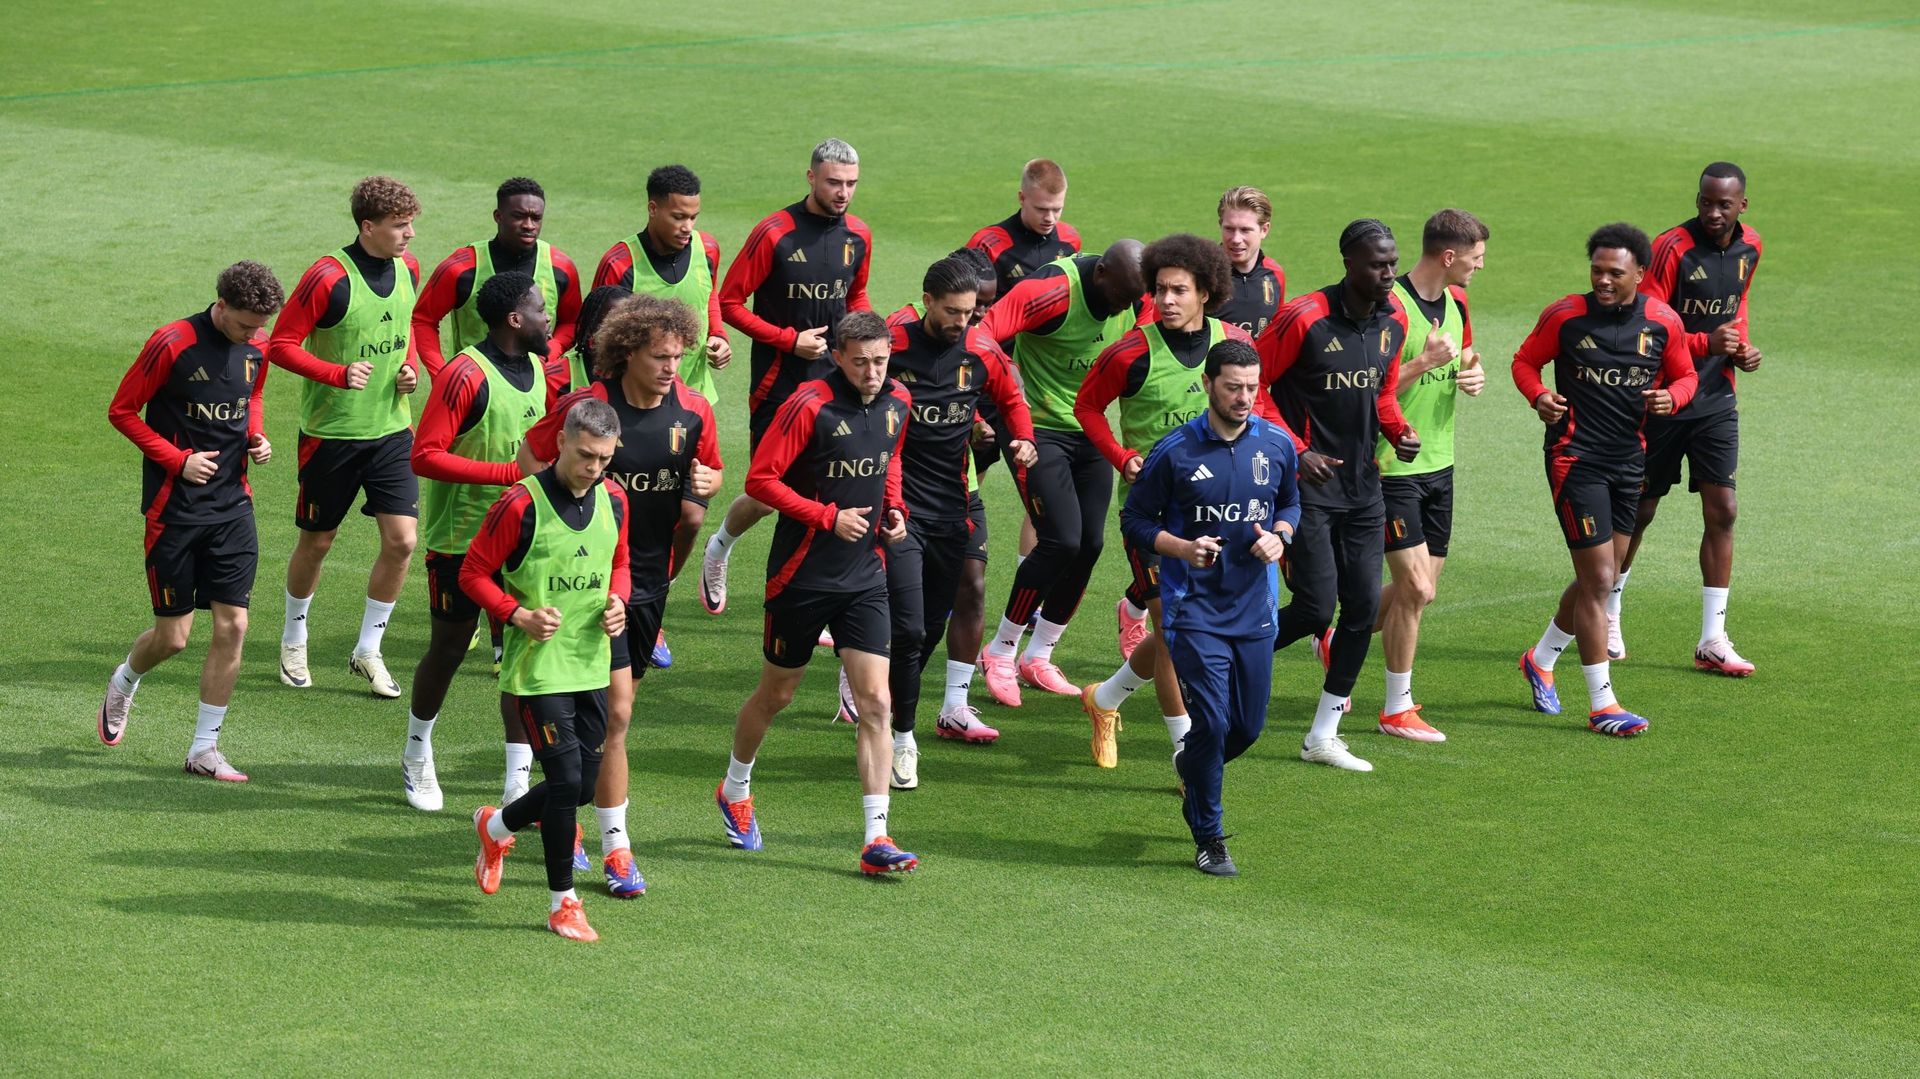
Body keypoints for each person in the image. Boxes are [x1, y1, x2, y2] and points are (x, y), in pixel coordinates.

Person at [519, 296, 722, 897]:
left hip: (641, 585)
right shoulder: (589, 409)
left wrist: (709, 485)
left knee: (613, 721)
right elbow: (531, 456)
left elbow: (701, 488)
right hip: (574, 589)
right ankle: (607, 840)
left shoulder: (695, 412)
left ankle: (584, 827)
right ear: (627, 352)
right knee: (598, 716)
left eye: (679, 357)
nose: (671, 368)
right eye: (660, 357)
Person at [713, 311, 920, 875]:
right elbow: (760, 481)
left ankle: (876, 838)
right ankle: (735, 787)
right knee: (776, 695)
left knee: (877, 702)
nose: (874, 373)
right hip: (800, 578)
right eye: (862, 363)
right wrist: (826, 517)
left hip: (865, 575)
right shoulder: (809, 405)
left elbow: (890, 459)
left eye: (881, 361)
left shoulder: (897, 400)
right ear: (838, 357)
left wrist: (894, 509)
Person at [836, 256, 1034, 791]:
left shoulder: (981, 349)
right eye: (952, 312)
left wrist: (1022, 438)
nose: (961, 322)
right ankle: (903, 738)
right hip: (896, 503)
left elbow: (1012, 398)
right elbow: (843, 380)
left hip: (954, 503)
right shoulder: (892, 341)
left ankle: (873, 679)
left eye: (970, 313)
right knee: (909, 624)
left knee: (930, 624)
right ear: (926, 301)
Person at [99, 261, 284, 781]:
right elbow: (123, 411)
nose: (255, 334)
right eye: (246, 324)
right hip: (173, 511)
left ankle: (204, 749)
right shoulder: (172, 342)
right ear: (220, 305)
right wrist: (177, 460)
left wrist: (256, 435)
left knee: (235, 623)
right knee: (174, 638)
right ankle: (125, 681)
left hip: (233, 506)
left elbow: (254, 395)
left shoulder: (258, 344)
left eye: (261, 325)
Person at [1120, 339, 1298, 876]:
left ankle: (1193, 768)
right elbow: (1135, 522)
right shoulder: (1174, 452)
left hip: (1254, 608)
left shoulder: (1276, 446)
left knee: (1247, 728)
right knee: (1215, 723)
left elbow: (1290, 501)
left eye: (1252, 387)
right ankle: (1209, 835)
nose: (1245, 398)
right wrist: (1182, 547)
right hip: (1192, 609)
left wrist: (1283, 536)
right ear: (1208, 386)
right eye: (1233, 387)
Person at [1513, 223, 1698, 736]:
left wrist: (1675, 398)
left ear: (1640, 273)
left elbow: (1685, 374)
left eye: (1615, 273)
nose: (1603, 280)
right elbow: (1525, 361)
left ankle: (1541, 658)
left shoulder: (1662, 322)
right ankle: (1603, 704)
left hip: (1629, 461)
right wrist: (1539, 397)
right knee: (1598, 580)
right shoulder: (1566, 316)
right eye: (1597, 270)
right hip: (1575, 460)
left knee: (1603, 575)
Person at [1076, 233, 1252, 770]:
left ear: (1207, 292)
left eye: (1179, 290)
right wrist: (1119, 453)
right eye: (1159, 290)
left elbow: (1255, 410)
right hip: (1152, 517)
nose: (1166, 300)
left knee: (1180, 628)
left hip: (1219, 513)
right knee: (1175, 631)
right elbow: (1086, 407)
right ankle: (1187, 754)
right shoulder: (1130, 352)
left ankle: (1105, 698)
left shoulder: (1233, 345)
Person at [1256, 219, 1421, 773]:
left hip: (1364, 491)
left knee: (1359, 613)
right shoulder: (1304, 318)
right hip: (1306, 490)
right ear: (1349, 262)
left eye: (1393, 263)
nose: (1389, 274)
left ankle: (1323, 734)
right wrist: (1297, 449)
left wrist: (1399, 431)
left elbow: (1384, 392)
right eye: (1378, 264)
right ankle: (1229, 656)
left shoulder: (1392, 322)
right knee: (1313, 606)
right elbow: (1256, 387)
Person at [466, 397, 631, 942]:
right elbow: (474, 573)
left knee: (581, 788)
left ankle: (494, 826)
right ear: (560, 441)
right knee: (563, 782)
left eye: (604, 459)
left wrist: (618, 602)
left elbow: (620, 564)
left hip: (591, 664)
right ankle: (564, 902)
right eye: (585, 455)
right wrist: (518, 614)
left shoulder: (615, 501)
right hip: (538, 671)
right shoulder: (520, 505)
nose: (594, 468)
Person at [700, 139, 873, 618]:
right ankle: (719, 548)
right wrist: (787, 339)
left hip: (837, 383)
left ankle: (818, 597)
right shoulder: (775, 232)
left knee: (830, 492)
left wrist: (866, 344)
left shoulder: (858, 234)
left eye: (852, 184)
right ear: (811, 177)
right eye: (834, 182)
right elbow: (730, 302)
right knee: (768, 494)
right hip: (778, 384)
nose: (843, 193)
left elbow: (855, 297)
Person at [268, 176, 423, 699]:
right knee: (318, 541)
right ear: (368, 227)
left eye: (410, 224)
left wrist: (411, 369)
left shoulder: (409, 269)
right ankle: (293, 637)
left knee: (402, 542)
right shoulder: (327, 277)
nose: (410, 235)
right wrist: (335, 373)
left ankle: (367, 650)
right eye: (400, 226)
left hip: (391, 430)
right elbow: (281, 345)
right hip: (331, 435)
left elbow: (408, 330)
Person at [400, 271, 549, 813]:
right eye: (540, 308)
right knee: (449, 648)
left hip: (524, 539)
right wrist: (507, 474)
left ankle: (516, 784)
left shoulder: (537, 368)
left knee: (521, 655)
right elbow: (425, 455)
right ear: (514, 319)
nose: (548, 317)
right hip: (461, 540)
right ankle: (417, 751)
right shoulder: (465, 374)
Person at [977, 240, 1146, 707]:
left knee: (1090, 543)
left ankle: (1039, 655)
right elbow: (985, 336)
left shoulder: (1138, 293)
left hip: (1088, 430)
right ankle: (1001, 651)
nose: (1125, 308)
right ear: (1102, 275)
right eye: (1120, 298)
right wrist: (1003, 403)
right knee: (1061, 540)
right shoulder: (1051, 290)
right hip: (1036, 432)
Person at [1615, 163, 1764, 675]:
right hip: (1662, 397)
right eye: (1706, 202)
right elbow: (1649, 323)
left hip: (1716, 397)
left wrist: (1739, 347)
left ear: (1742, 204)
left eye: (1725, 204)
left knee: (1723, 508)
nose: (1714, 212)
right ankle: (1609, 611)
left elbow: (1736, 307)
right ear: (1697, 199)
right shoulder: (1672, 248)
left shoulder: (1752, 248)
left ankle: (1713, 638)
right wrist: (1704, 343)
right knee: (1639, 510)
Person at [1371, 209, 1490, 742]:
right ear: (1449, 256)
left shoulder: (1458, 301)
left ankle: (1335, 637)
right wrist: (1421, 362)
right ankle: (1397, 708)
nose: (1479, 267)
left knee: (1417, 594)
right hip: (1394, 464)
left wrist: (1472, 371)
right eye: (1476, 258)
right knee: (1415, 588)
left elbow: (1463, 354)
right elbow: (1364, 386)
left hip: (1441, 463)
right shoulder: (1390, 308)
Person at [410, 176, 581, 378]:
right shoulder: (461, 268)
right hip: (475, 386)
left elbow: (572, 322)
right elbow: (422, 320)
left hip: (539, 386)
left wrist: (550, 352)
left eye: (536, 218)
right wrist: (441, 374)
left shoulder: (561, 267)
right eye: (519, 216)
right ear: (498, 216)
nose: (529, 225)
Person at [592, 164, 730, 404]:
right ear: (653, 209)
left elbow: (708, 295)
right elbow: (600, 341)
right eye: (678, 217)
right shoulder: (620, 264)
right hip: (635, 402)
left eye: (693, 217)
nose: (688, 227)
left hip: (695, 398)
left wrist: (718, 334)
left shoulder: (707, 249)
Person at [967, 158, 1082, 300]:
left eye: (1057, 209)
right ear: (1022, 198)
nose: (1050, 218)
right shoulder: (987, 245)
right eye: (1041, 209)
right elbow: (958, 300)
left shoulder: (1070, 238)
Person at [1215, 186, 1286, 338]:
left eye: (1245, 230)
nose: (1236, 239)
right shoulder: (1201, 273)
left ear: (1264, 230)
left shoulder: (1275, 274)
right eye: (1229, 229)